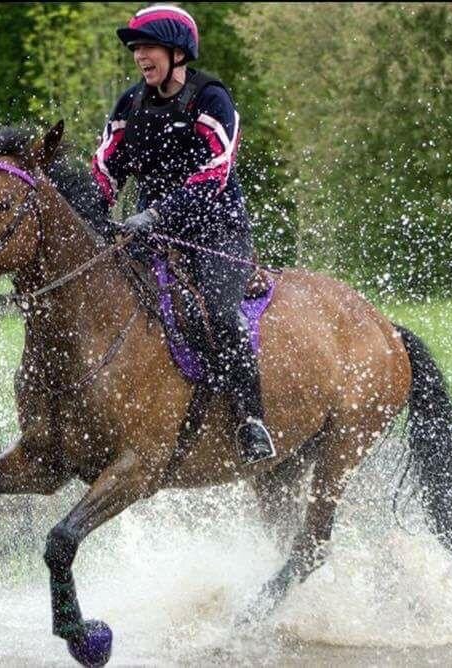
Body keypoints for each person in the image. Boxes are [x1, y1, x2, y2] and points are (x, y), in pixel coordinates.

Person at [91, 4, 275, 464]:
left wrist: (154, 215)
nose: (139, 57)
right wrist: (89, 210)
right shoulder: (129, 105)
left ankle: (251, 421)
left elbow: (215, 172)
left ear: (177, 51)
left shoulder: (211, 99)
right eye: (136, 49)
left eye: (147, 47)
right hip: (148, 237)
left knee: (216, 307)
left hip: (215, 233)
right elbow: (105, 170)